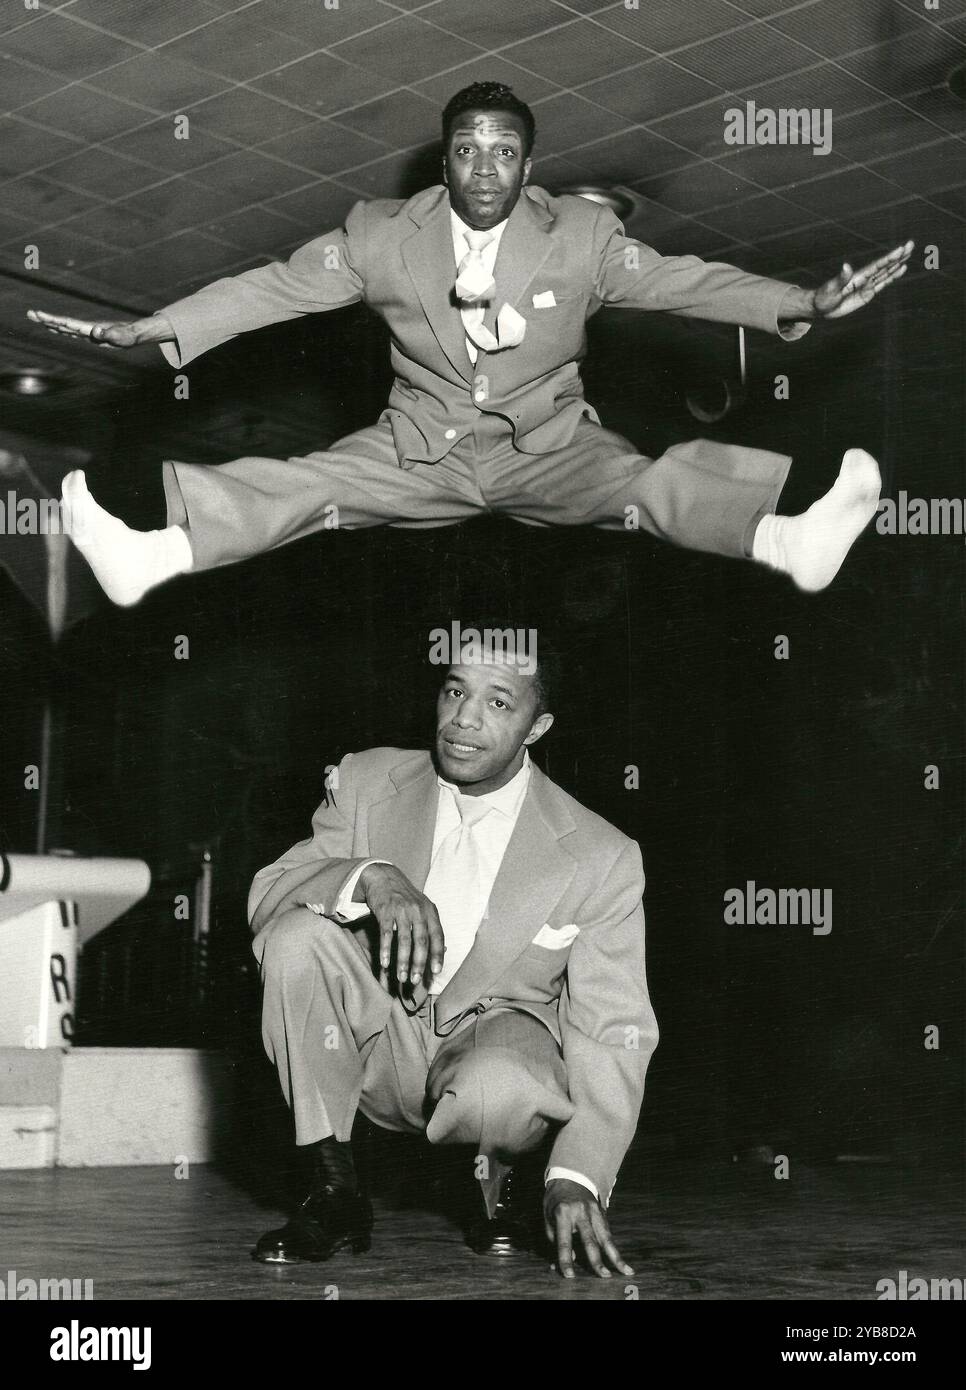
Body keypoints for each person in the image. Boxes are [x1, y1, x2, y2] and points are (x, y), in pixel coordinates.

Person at [30, 82, 912, 609]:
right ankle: (156, 557)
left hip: (551, 447)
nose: (485, 168)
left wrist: (799, 299)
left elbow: (681, 280)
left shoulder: (582, 238)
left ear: (527, 168)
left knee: (645, 480)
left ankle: (782, 541)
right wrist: (154, 326)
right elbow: (276, 287)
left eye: (505, 152)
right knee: (312, 482)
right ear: (443, 164)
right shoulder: (378, 237)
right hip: (420, 452)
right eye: (467, 150)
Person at [247, 627, 658, 1279]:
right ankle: (334, 1189)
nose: (464, 719)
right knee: (297, 938)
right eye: (455, 690)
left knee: (504, 1085)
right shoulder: (367, 779)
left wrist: (578, 1173)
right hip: (377, 1039)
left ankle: (502, 1187)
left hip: (493, 1045)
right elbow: (268, 894)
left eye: (499, 702)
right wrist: (372, 877)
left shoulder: (602, 855)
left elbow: (615, 1028)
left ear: (537, 725)